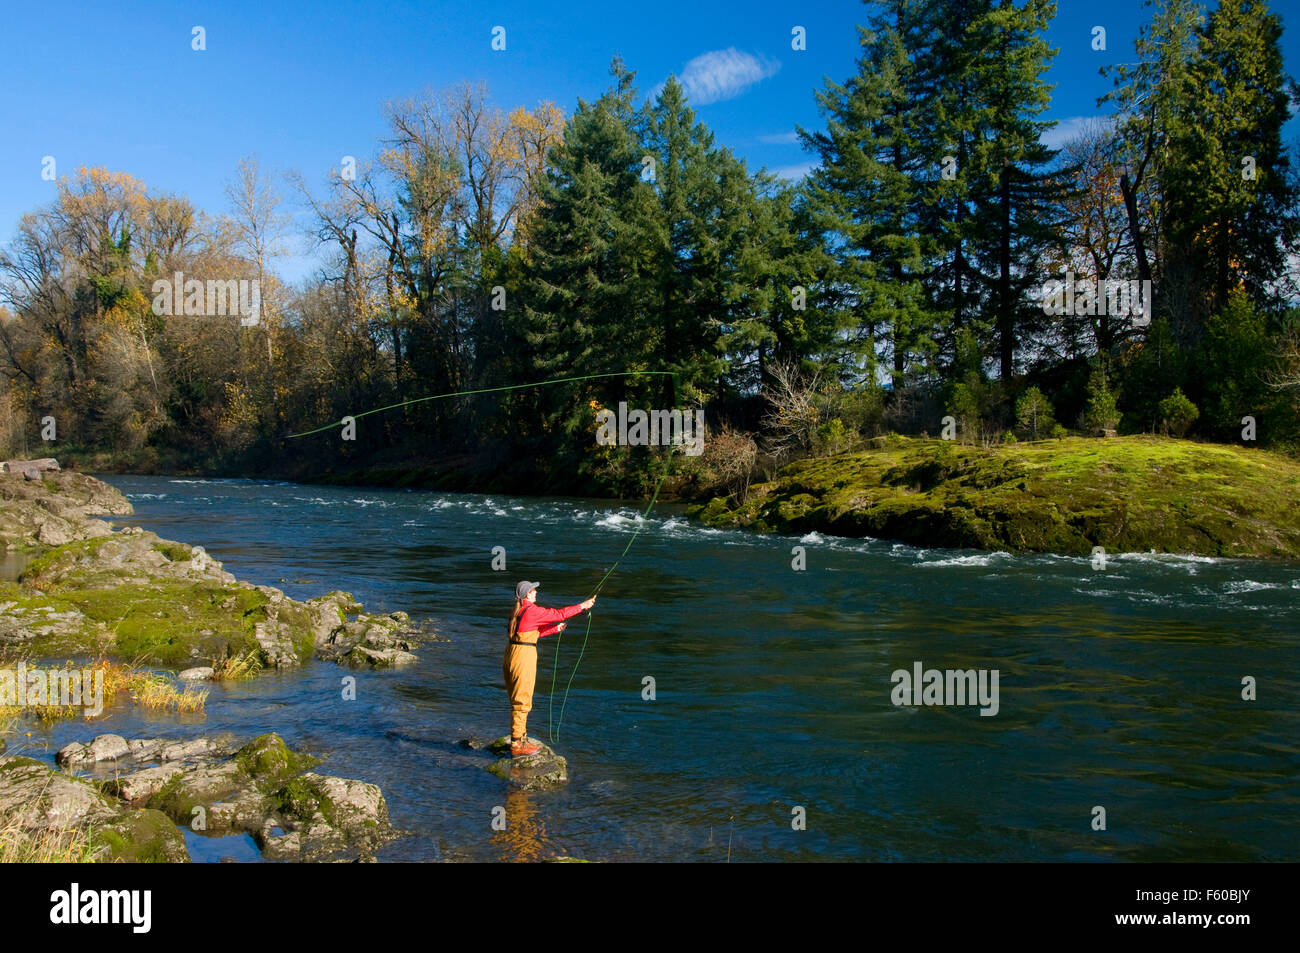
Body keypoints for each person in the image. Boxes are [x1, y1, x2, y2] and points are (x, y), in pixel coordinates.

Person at [504, 580, 596, 756]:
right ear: (527, 594)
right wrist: (582, 606)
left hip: (511, 652)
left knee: (516, 698)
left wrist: (554, 629)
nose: (536, 592)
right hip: (523, 655)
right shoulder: (532, 610)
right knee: (522, 699)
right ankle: (517, 743)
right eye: (533, 590)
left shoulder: (518, 610)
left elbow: (531, 632)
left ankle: (520, 737)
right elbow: (559, 613)